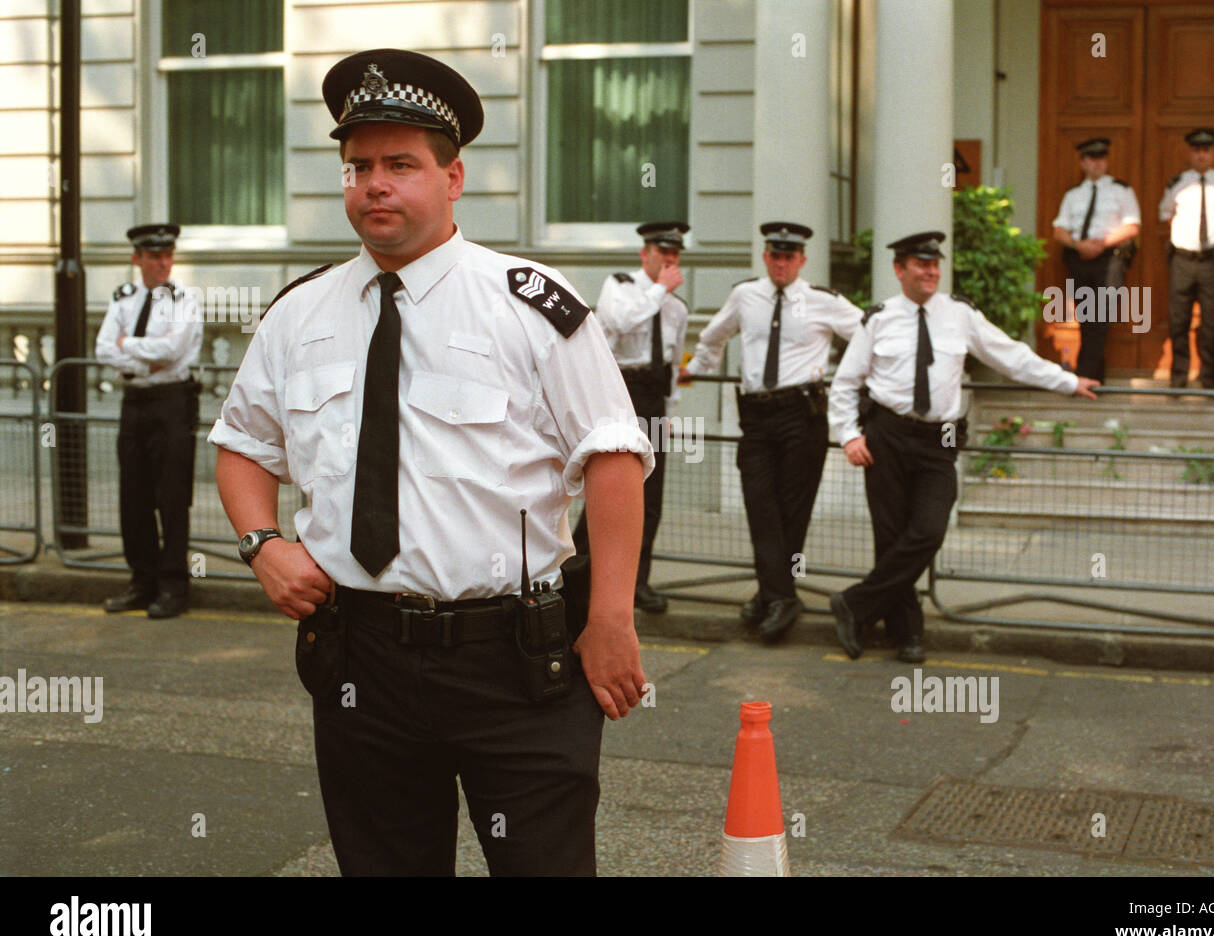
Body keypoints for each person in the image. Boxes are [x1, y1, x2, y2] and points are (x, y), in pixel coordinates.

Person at [208, 49, 652, 876]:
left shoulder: (529, 304)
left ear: (452, 178)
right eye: (359, 165)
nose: (375, 183)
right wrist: (262, 543)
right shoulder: (298, 314)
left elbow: (614, 457)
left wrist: (612, 617)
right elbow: (242, 444)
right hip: (358, 659)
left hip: (513, 663)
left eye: (400, 164)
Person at [827, 231, 1099, 664]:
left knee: (929, 529)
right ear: (900, 270)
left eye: (935, 264)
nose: (931, 271)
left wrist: (1066, 381)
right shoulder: (877, 319)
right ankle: (906, 633)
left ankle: (855, 604)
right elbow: (844, 383)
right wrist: (849, 434)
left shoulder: (961, 315)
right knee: (891, 536)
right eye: (921, 264)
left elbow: (1011, 356)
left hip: (939, 440)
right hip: (887, 435)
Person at [679, 222, 864, 643]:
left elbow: (869, 335)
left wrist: (856, 377)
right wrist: (692, 372)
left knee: (792, 512)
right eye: (775, 255)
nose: (781, 263)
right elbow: (714, 336)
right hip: (757, 417)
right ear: (765, 257)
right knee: (760, 505)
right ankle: (780, 596)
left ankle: (773, 598)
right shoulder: (746, 295)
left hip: (803, 414)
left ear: (801, 260)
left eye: (789, 256)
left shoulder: (824, 301)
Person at [572, 221, 690, 614]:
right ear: (646, 254)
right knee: (608, 491)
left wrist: (669, 412)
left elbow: (672, 364)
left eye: (675, 254)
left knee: (649, 497)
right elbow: (620, 324)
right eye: (663, 253)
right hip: (621, 392)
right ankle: (578, 576)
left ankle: (637, 582)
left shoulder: (676, 307)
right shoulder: (621, 286)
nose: (670, 260)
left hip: (653, 398)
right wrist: (658, 291)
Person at [94, 223, 202, 619]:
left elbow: (172, 351)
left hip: (171, 402)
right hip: (134, 401)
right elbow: (104, 348)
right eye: (154, 256)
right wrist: (144, 356)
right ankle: (142, 581)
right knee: (133, 496)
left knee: (172, 498)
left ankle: (174, 586)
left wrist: (129, 346)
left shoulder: (185, 299)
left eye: (168, 255)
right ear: (136, 258)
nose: (163, 263)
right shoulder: (122, 299)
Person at [1159, 128, 1214, 389]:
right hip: (1183, 259)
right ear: (1190, 153)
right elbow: (1165, 213)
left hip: (1212, 261)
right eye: (1197, 150)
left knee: (1212, 321)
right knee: (1178, 320)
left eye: (1206, 150)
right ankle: (1178, 377)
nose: (1201, 155)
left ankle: (1209, 378)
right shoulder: (1177, 184)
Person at [1051, 137, 1141, 381]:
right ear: (1082, 163)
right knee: (1085, 314)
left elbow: (1132, 226)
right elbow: (1059, 230)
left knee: (1102, 315)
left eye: (1102, 158)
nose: (1098, 163)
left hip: (1109, 259)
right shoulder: (1073, 195)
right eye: (1092, 159)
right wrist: (1077, 245)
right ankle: (1094, 373)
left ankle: (1085, 373)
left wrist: (1101, 244)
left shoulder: (1121, 190)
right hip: (1079, 258)